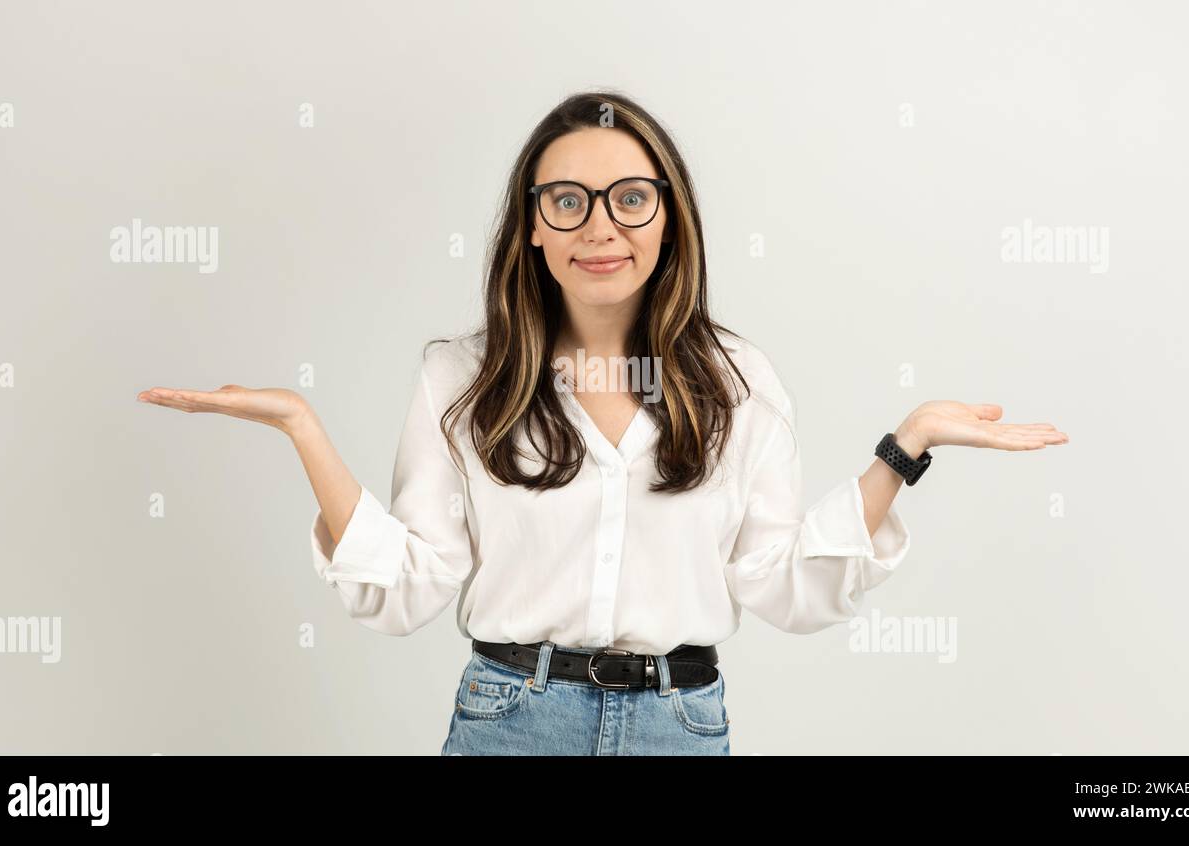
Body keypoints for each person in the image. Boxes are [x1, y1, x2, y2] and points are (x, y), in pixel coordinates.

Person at [137, 90, 1069, 756]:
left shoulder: (738, 381)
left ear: (668, 220)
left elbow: (785, 588)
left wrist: (903, 452)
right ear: (533, 228)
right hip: (512, 721)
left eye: (631, 198)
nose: (600, 228)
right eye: (567, 201)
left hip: (682, 724)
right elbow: (409, 588)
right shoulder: (461, 377)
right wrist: (304, 428)